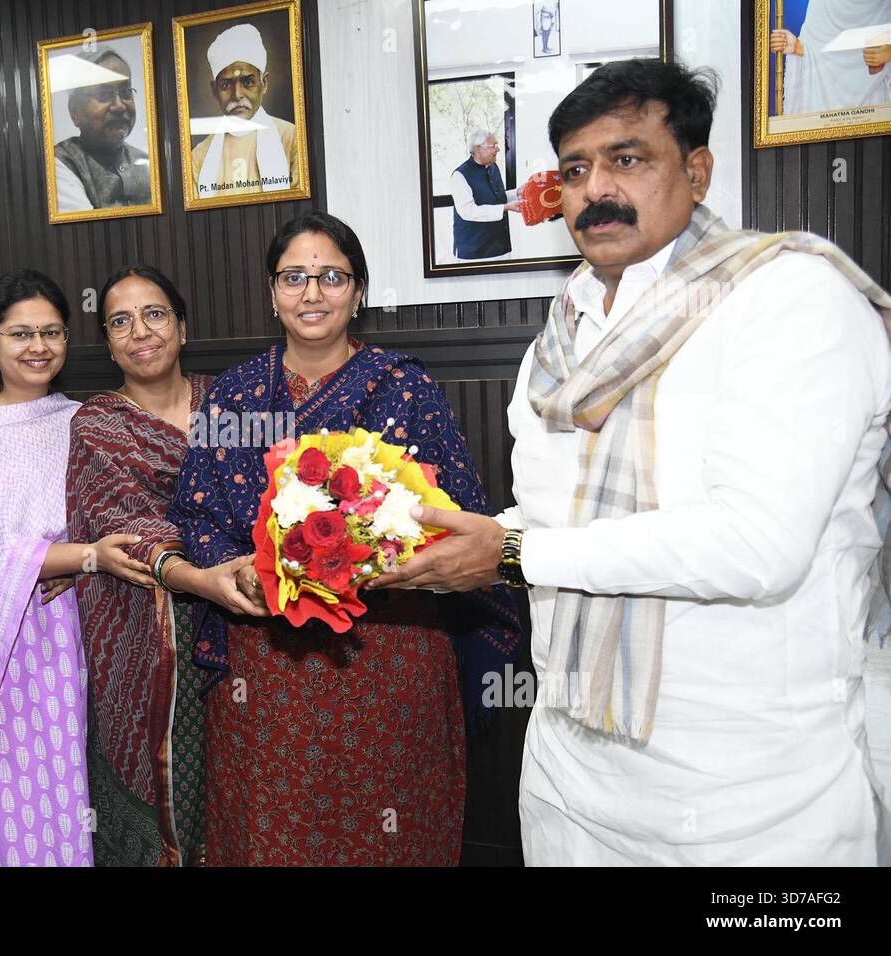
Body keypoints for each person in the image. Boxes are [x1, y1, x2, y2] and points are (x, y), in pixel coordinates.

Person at [373, 58, 891, 865]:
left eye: (628, 158)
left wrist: (507, 553)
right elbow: (557, 522)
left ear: (696, 170)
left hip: (748, 800)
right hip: (570, 781)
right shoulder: (561, 333)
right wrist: (460, 540)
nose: (594, 189)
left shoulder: (788, 297)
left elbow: (757, 545)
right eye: (575, 169)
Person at [166, 211, 522, 866]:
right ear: (271, 292)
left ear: (357, 290)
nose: (312, 293)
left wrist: (382, 552)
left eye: (331, 276)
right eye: (294, 277)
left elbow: (460, 517)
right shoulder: (234, 397)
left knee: (394, 834)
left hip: (390, 654)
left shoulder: (403, 386)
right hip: (269, 662)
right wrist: (240, 566)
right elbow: (198, 516)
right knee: (277, 832)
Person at [0, 270, 151, 867]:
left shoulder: (83, 422)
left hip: (62, 641)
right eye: (20, 332)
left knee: (57, 788)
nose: (38, 347)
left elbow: (110, 525)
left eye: (51, 332)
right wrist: (84, 558)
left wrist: (85, 560)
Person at [68, 265, 264, 866]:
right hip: (149, 639)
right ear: (107, 342)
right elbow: (128, 532)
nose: (140, 332)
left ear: (182, 326)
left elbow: (275, 495)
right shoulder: (97, 423)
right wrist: (199, 574)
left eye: (154, 314)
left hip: (255, 621)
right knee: (173, 791)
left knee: (249, 787)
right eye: (120, 322)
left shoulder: (230, 402)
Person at [190, 23, 300, 200]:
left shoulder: (292, 138)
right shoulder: (198, 156)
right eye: (226, 85)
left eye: (248, 82)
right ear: (214, 90)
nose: (237, 95)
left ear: (264, 83)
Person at [53, 49, 153, 212]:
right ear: (75, 112)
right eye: (104, 95)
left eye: (126, 93)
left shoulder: (147, 162)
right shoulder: (60, 163)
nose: (119, 106)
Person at [770, 0, 891, 114]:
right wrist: (798, 48)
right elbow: (817, 47)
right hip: (827, 113)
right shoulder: (823, 4)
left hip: (876, 105)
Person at [450, 130, 523, 261]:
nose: (498, 149)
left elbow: (496, 198)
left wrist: (518, 192)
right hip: (475, 252)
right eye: (493, 146)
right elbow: (468, 211)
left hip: (501, 247)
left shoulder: (493, 167)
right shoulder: (460, 175)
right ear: (478, 149)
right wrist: (505, 208)